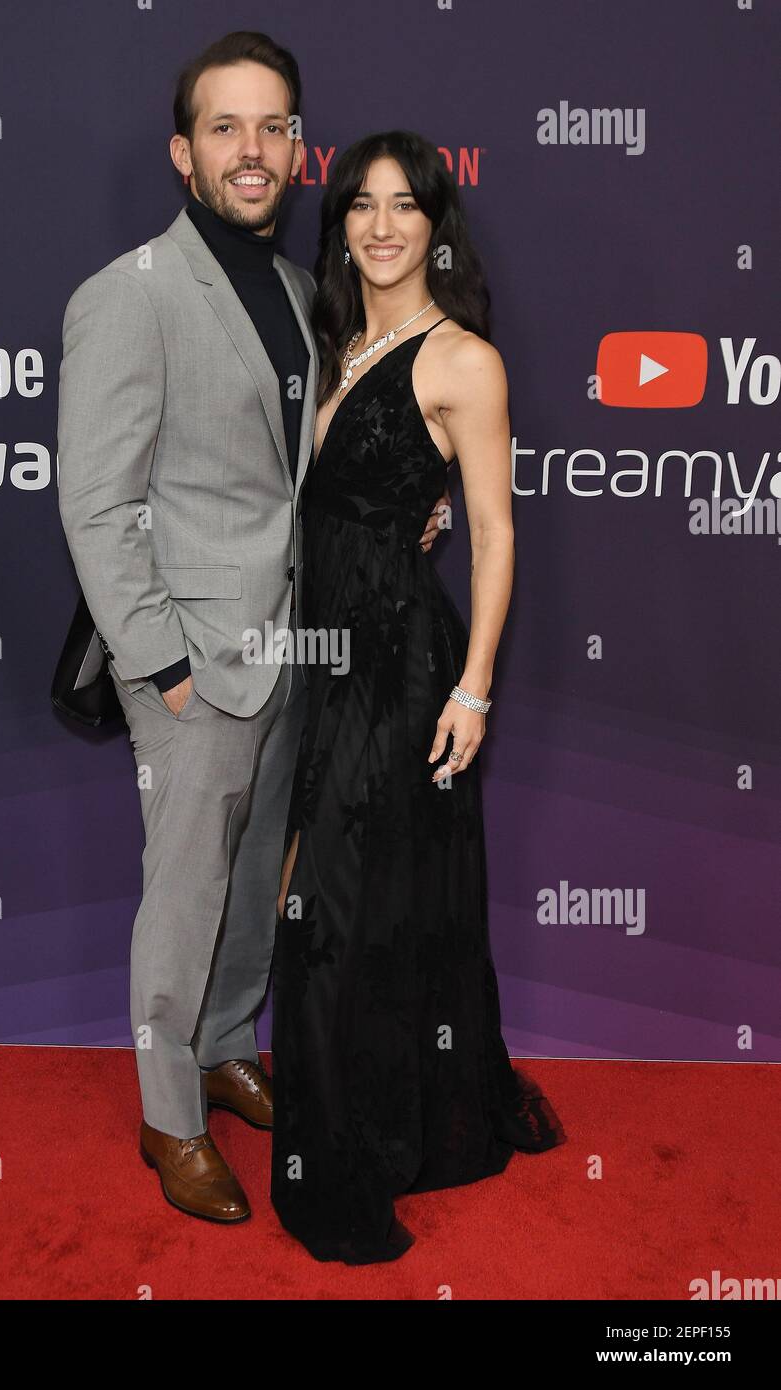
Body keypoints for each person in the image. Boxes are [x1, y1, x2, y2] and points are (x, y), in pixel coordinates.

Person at [56, 34, 447, 1224]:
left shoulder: (290, 291)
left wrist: (406, 508)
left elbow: (300, 477)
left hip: (289, 653)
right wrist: (161, 664)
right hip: (189, 663)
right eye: (225, 128)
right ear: (185, 153)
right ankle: (169, 1115)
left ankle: (230, 1045)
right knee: (180, 895)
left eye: (272, 127)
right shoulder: (127, 295)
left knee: (250, 882)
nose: (252, 150)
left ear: (294, 148)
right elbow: (96, 499)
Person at [270, 131, 567, 1264]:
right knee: (358, 908)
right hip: (324, 659)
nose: (382, 225)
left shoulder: (462, 361)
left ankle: (340, 1162)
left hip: (403, 669)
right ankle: (392, 1118)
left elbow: (493, 534)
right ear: (338, 219)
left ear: (438, 223)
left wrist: (476, 689)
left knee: (333, 916)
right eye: (360, 204)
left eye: (405, 204)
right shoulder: (337, 339)